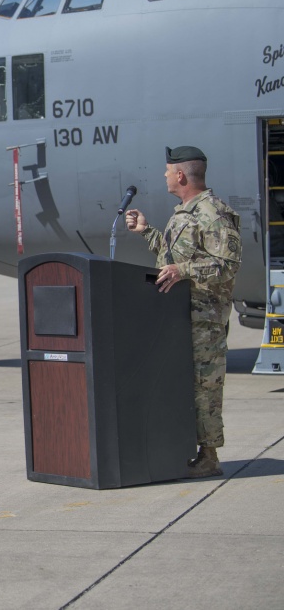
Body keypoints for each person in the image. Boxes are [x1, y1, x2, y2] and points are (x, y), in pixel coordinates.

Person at [125, 145, 242, 478]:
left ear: (180, 175)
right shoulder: (184, 212)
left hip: (204, 318)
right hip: (176, 314)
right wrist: (147, 232)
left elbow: (227, 265)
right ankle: (178, 448)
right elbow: (172, 257)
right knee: (177, 385)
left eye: (167, 171)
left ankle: (208, 456)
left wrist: (184, 271)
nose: (164, 176)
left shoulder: (214, 213)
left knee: (205, 388)